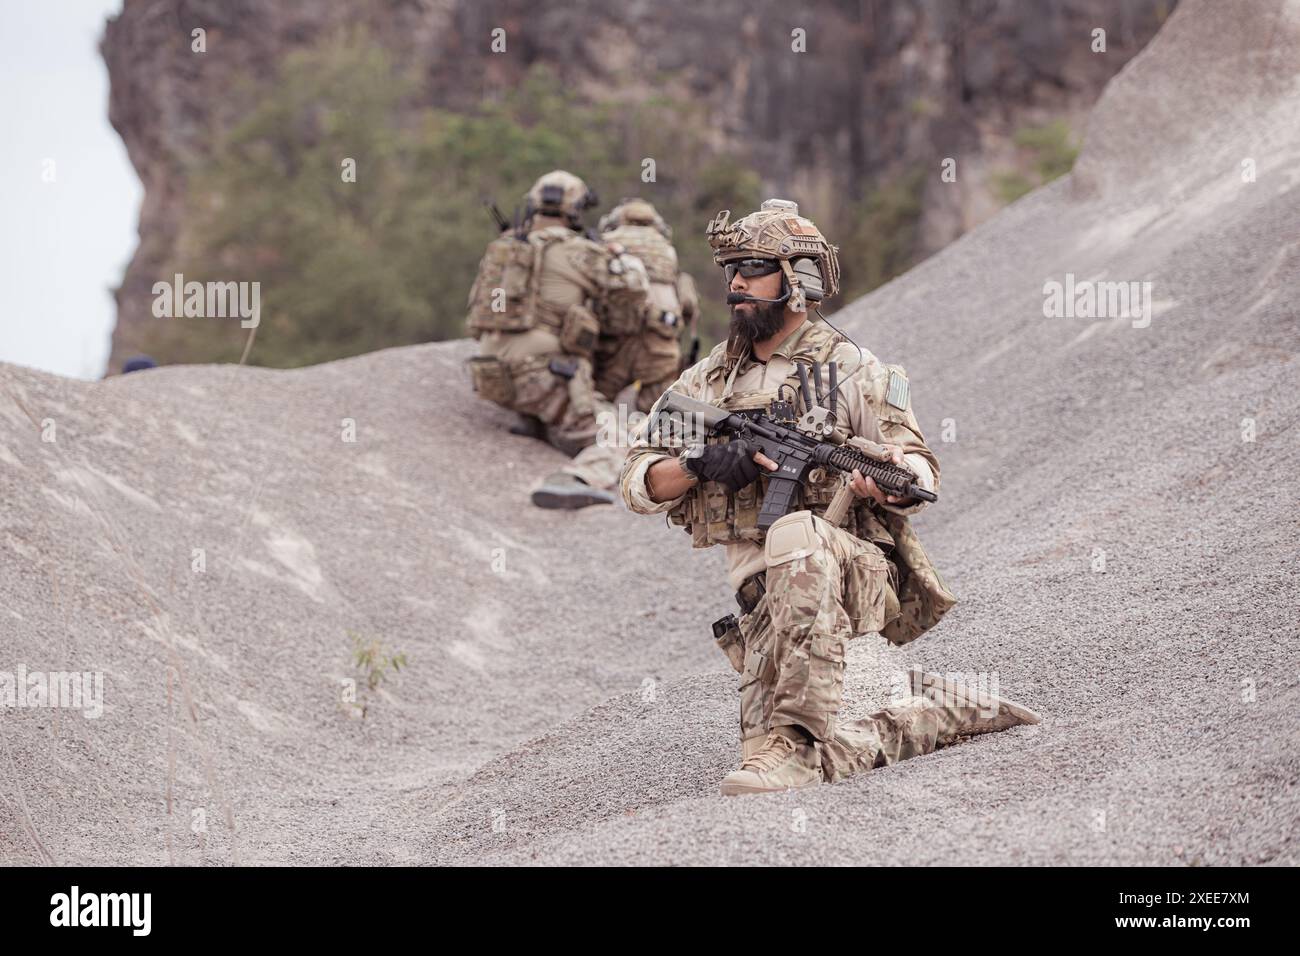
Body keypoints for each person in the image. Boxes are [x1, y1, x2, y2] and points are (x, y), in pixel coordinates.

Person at [620, 199, 1040, 795]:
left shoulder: (854, 369)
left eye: (754, 268)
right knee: (781, 764)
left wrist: (892, 477)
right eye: (731, 270)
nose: (736, 283)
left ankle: (796, 741)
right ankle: (932, 713)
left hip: (848, 574)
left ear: (797, 281)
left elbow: (919, 468)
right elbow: (637, 481)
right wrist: (699, 463)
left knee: (796, 535)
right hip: (762, 601)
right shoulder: (706, 381)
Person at [465, 170, 650, 509]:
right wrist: (615, 251)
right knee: (626, 437)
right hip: (543, 376)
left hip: (491, 376)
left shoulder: (501, 248)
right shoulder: (581, 251)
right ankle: (574, 480)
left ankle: (532, 420)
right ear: (575, 210)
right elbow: (636, 285)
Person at [595, 198, 700, 413]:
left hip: (615, 338)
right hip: (659, 339)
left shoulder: (606, 241)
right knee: (654, 410)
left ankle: (603, 439)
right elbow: (688, 305)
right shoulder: (667, 249)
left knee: (599, 400)